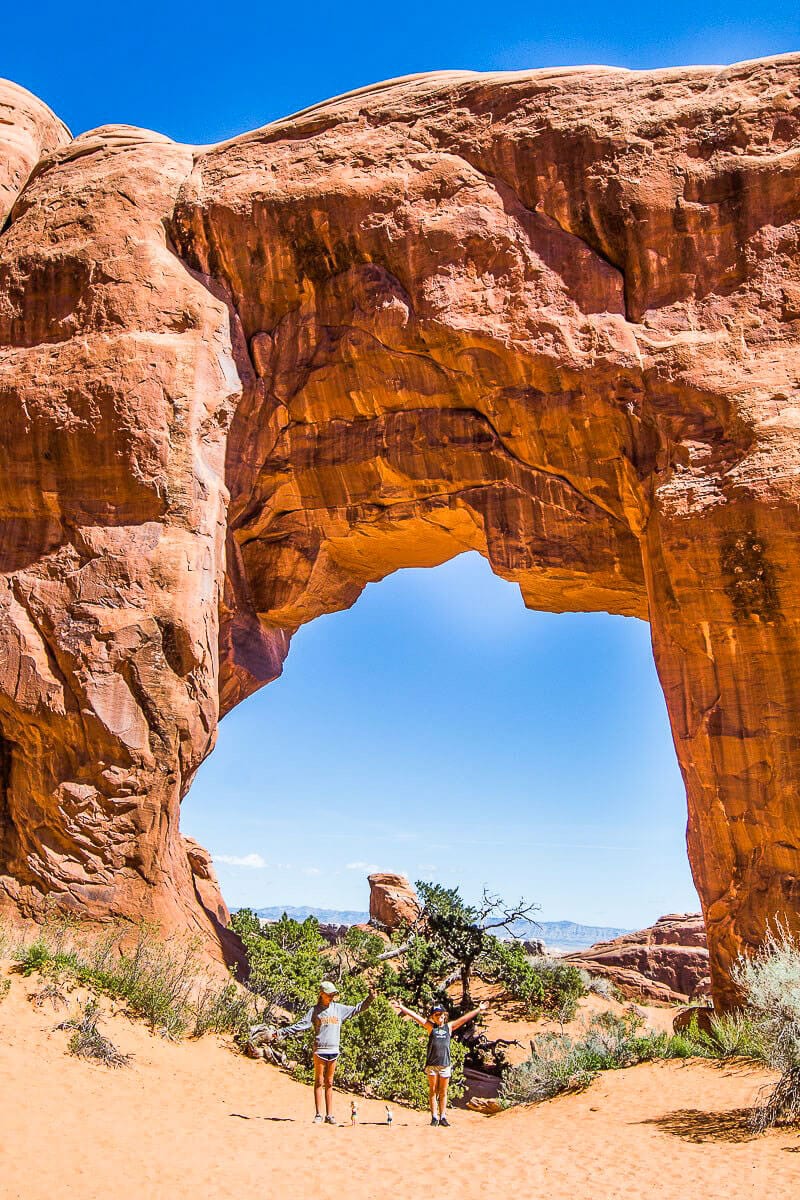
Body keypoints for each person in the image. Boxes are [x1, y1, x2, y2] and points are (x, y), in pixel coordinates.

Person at [273, 981, 374, 1124]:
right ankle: (319, 1115)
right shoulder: (315, 1010)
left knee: (330, 1082)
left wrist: (370, 998)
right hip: (320, 1050)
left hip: (334, 1050)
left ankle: (330, 1115)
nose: (332, 997)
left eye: (333, 994)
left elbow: (358, 1009)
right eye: (329, 994)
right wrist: (281, 1032)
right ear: (322, 994)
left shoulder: (339, 1009)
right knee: (319, 1081)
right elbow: (301, 1025)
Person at [392, 998, 489, 1126]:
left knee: (443, 1091)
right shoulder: (431, 1027)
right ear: (433, 1016)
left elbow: (465, 1019)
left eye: (441, 1014)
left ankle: (443, 1117)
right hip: (432, 1065)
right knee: (433, 1090)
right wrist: (402, 1007)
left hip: (445, 1064)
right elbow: (416, 1017)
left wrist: (479, 1009)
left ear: (445, 1015)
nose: (439, 1017)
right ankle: (434, 1117)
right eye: (436, 1015)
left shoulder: (449, 1027)